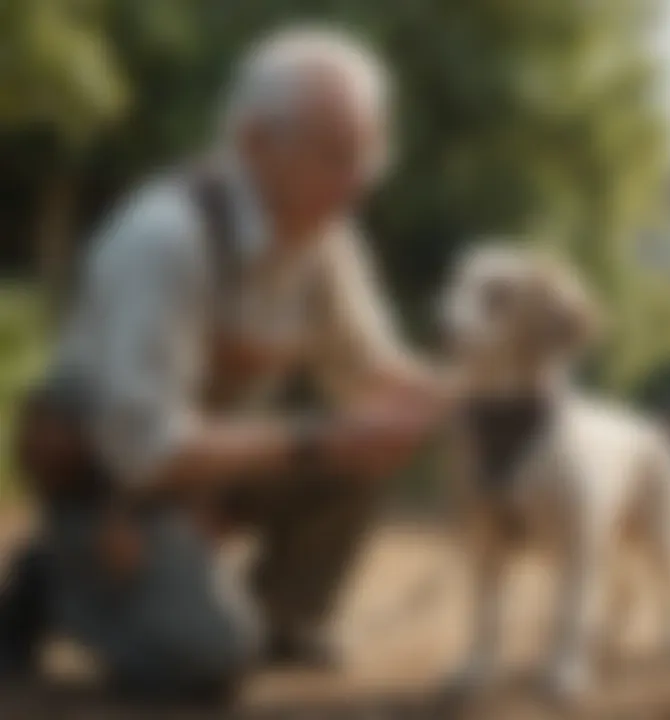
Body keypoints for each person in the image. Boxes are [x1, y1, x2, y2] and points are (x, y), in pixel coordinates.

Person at [0, 27, 444, 699]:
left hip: (211, 465)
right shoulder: (163, 238)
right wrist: (317, 439)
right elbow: (142, 452)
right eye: (333, 156)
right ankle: (59, 580)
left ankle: (281, 620)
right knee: (202, 664)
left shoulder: (324, 239)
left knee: (356, 453)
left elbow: (371, 371)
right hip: (115, 485)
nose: (357, 183)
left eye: (368, 156)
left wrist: (475, 391)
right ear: (255, 142)